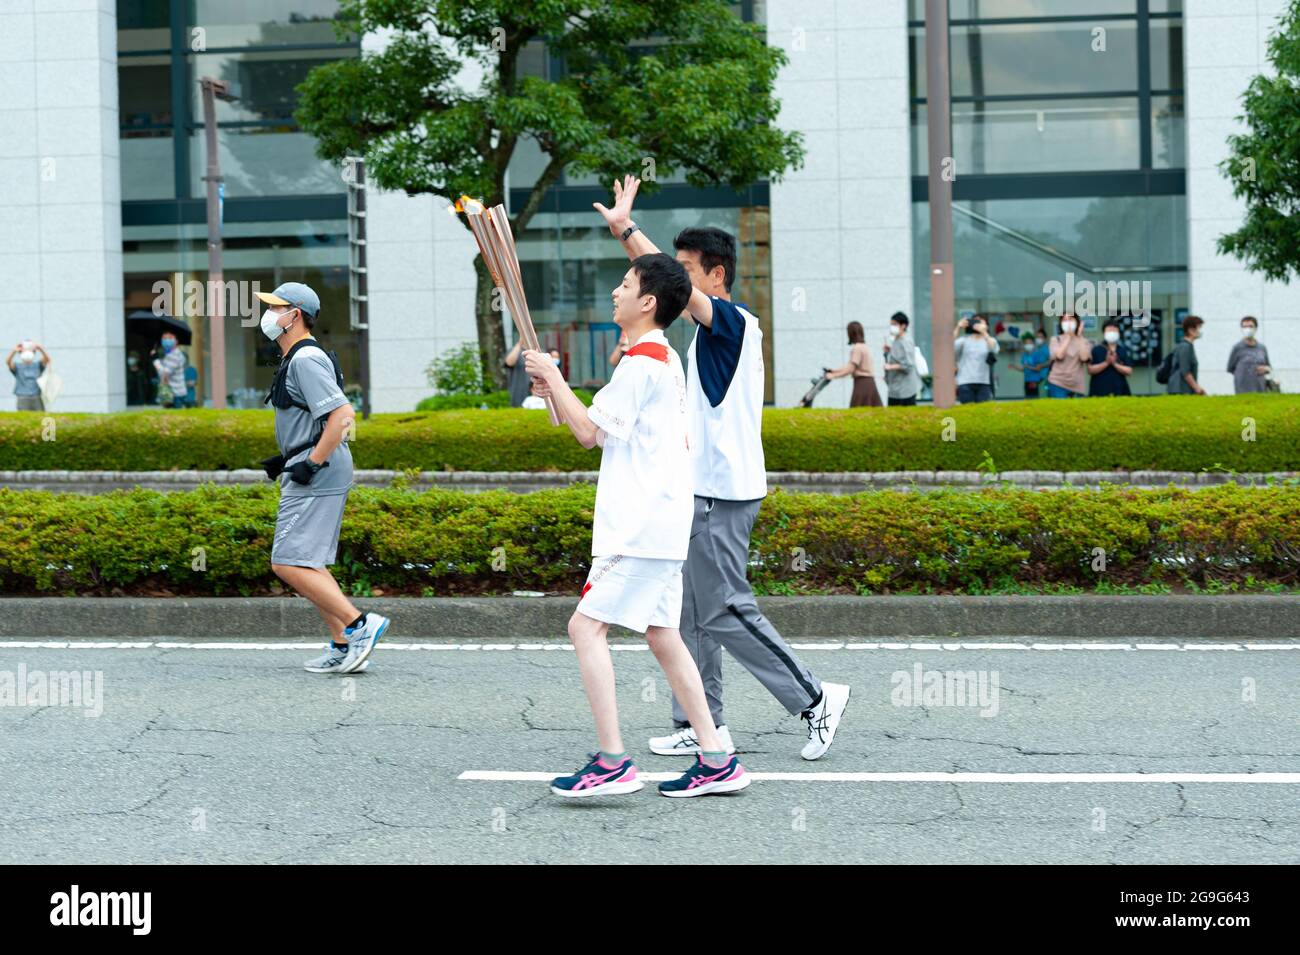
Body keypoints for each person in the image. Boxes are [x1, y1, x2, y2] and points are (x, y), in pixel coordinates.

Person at [594, 174, 850, 761]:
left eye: (687, 271)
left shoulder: (735, 323)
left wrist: (627, 230)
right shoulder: (705, 336)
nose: (677, 282)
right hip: (699, 492)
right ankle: (699, 722)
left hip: (722, 494)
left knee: (726, 608)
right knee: (684, 613)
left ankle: (815, 698)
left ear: (716, 276)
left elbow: (667, 284)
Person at [524, 253, 750, 798]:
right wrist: (555, 390)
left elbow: (587, 434)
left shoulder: (643, 362)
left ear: (648, 301)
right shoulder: (661, 358)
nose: (615, 292)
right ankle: (717, 759)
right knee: (663, 635)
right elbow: (601, 433)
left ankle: (612, 762)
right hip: (661, 521)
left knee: (585, 628)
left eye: (624, 284)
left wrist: (554, 376)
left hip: (639, 524)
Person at [254, 281, 390, 676]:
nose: (267, 315)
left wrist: (311, 462)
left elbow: (343, 416)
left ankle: (360, 625)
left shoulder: (305, 359)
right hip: (314, 463)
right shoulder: (297, 357)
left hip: (320, 469)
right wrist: (289, 457)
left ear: (294, 315)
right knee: (307, 561)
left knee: (286, 562)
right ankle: (342, 643)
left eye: (275, 308)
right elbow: (312, 419)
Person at [825, 321, 883, 407]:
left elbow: (850, 369)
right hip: (870, 383)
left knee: (857, 409)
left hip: (862, 384)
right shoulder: (864, 347)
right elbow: (851, 365)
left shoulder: (857, 348)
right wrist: (834, 371)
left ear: (851, 334)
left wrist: (833, 376)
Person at [953, 314, 998, 403]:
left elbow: (993, 348)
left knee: (983, 409)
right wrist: (958, 327)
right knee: (967, 408)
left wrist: (984, 332)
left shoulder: (990, 340)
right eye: (976, 323)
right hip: (965, 381)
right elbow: (949, 345)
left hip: (984, 381)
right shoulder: (964, 340)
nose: (978, 326)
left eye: (981, 323)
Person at [1046, 313, 1091, 398]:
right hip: (1057, 383)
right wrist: (1069, 337)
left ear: (1077, 322)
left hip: (1077, 385)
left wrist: (1079, 336)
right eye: (1064, 320)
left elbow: (1084, 358)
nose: (1068, 322)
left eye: (1070, 319)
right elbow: (1059, 356)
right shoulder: (1055, 339)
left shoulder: (1084, 341)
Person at [882, 311, 922, 406]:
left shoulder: (906, 341)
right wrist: (888, 351)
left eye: (894, 324)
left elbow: (908, 365)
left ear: (903, 326)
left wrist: (890, 367)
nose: (892, 327)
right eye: (891, 324)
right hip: (894, 388)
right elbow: (898, 357)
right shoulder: (896, 339)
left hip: (905, 391)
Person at [1088, 319, 1133, 397]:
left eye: (1114, 330)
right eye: (1109, 330)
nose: (1112, 333)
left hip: (1120, 390)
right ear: (1104, 332)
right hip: (1099, 390)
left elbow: (1129, 371)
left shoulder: (1123, 350)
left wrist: (1115, 364)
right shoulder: (1096, 349)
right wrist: (1106, 363)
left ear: (1118, 333)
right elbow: (1090, 370)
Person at [1227, 316, 1271, 394]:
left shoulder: (1262, 348)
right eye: (1245, 327)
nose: (1248, 329)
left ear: (1256, 328)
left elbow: (1268, 366)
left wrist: (1266, 369)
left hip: (1260, 388)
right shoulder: (1237, 347)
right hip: (1243, 389)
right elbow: (1230, 368)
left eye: (1250, 326)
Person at [1167, 314, 1206, 396]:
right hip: (1180, 390)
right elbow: (1185, 371)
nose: (1200, 331)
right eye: (1199, 327)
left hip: (1183, 389)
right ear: (1191, 330)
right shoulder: (1185, 347)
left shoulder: (1187, 346)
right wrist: (1197, 388)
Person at [6, 340, 49, 411]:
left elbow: (47, 359)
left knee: (39, 416)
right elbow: (8, 362)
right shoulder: (17, 366)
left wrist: (40, 349)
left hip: (36, 397)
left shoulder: (38, 365)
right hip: (22, 397)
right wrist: (14, 351)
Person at [152, 332, 190, 408]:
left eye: (170, 338)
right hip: (174, 392)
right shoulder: (169, 354)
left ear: (176, 341)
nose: (166, 340)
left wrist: (156, 362)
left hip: (174, 394)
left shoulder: (174, 355)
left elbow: (165, 374)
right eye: (164, 338)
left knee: (174, 414)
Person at [1011, 329, 1050, 398]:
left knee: (1035, 399)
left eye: (1030, 343)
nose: (1028, 345)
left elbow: (1038, 368)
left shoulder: (1037, 354)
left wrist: (1028, 366)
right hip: (1027, 380)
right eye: (1026, 343)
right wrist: (1014, 367)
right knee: (1028, 399)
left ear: (1033, 344)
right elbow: (1024, 369)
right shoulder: (1024, 355)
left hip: (1035, 381)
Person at [503, 338, 532, 407]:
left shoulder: (540, 351)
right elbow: (509, 363)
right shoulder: (513, 350)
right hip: (517, 393)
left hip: (535, 394)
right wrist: (519, 343)